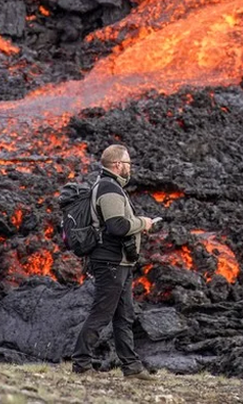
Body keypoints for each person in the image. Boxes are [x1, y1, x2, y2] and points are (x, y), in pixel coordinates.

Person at [71, 144, 161, 379]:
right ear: (118, 165)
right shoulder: (109, 189)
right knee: (102, 313)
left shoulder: (110, 186)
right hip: (110, 261)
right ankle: (81, 363)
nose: (130, 168)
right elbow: (117, 226)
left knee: (124, 315)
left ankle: (131, 367)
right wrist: (144, 222)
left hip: (120, 262)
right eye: (128, 163)